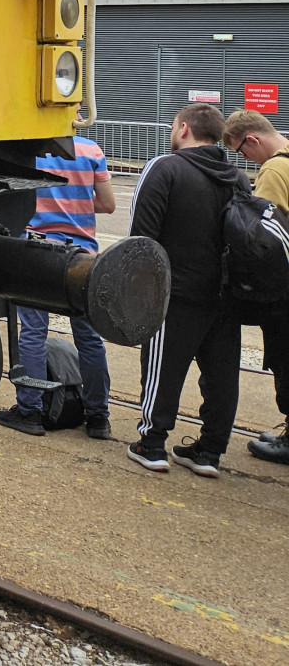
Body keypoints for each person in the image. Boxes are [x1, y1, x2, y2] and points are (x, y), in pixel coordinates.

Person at [128, 102, 245, 476]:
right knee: (221, 374)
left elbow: (141, 238)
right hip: (226, 297)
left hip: (175, 293)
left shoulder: (166, 168)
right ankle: (210, 452)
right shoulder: (237, 177)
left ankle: (152, 444)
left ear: (183, 129)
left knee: (163, 368)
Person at [0, 136, 116, 439]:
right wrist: (76, 206)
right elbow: (108, 204)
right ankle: (98, 417)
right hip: (83, 257)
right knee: (89, 338)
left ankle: (30, 411)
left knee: (33, 334)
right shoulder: (91, 150)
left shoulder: (30, 150)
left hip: (37, 254)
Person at [222, 107, 289, 464]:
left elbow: (262, 237)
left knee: (285, 356)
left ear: (252, 139)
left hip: (285, 289)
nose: (243, 158)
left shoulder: (275, 168)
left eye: (240, 151)